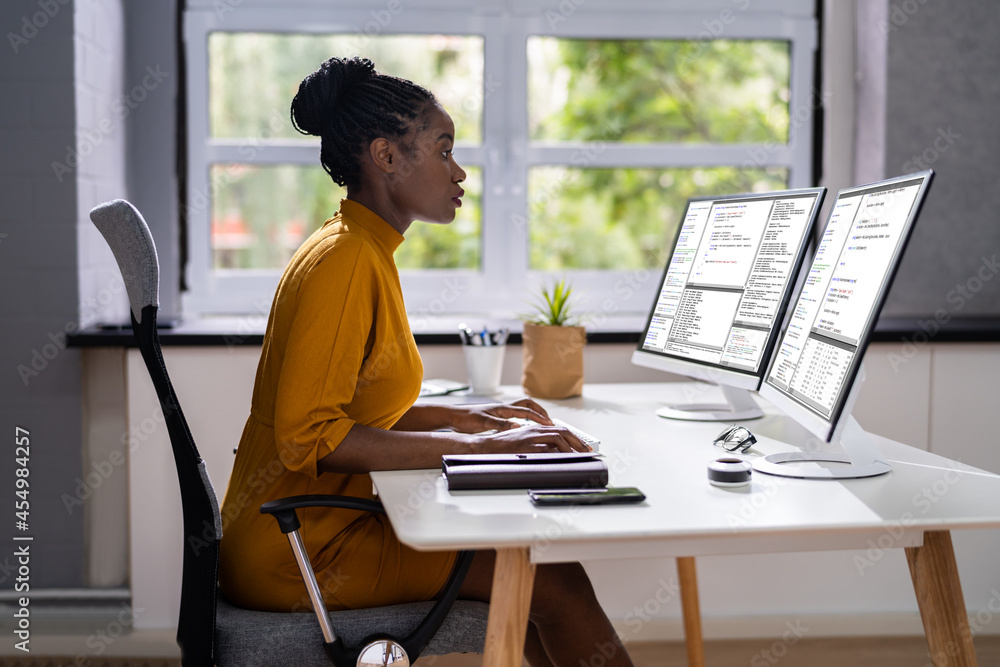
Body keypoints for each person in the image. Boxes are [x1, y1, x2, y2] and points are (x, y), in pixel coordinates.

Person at [218, 56, 634, 667]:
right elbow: (311, 439)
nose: (459, 171)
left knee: (530, 573)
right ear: (387, 157)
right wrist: (475, 452)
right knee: (555, 581)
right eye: (443, 150)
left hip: (307, 529)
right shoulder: (346, 261)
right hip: (300, 552)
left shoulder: (359, 247)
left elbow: (358, 408)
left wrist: (472, 420)